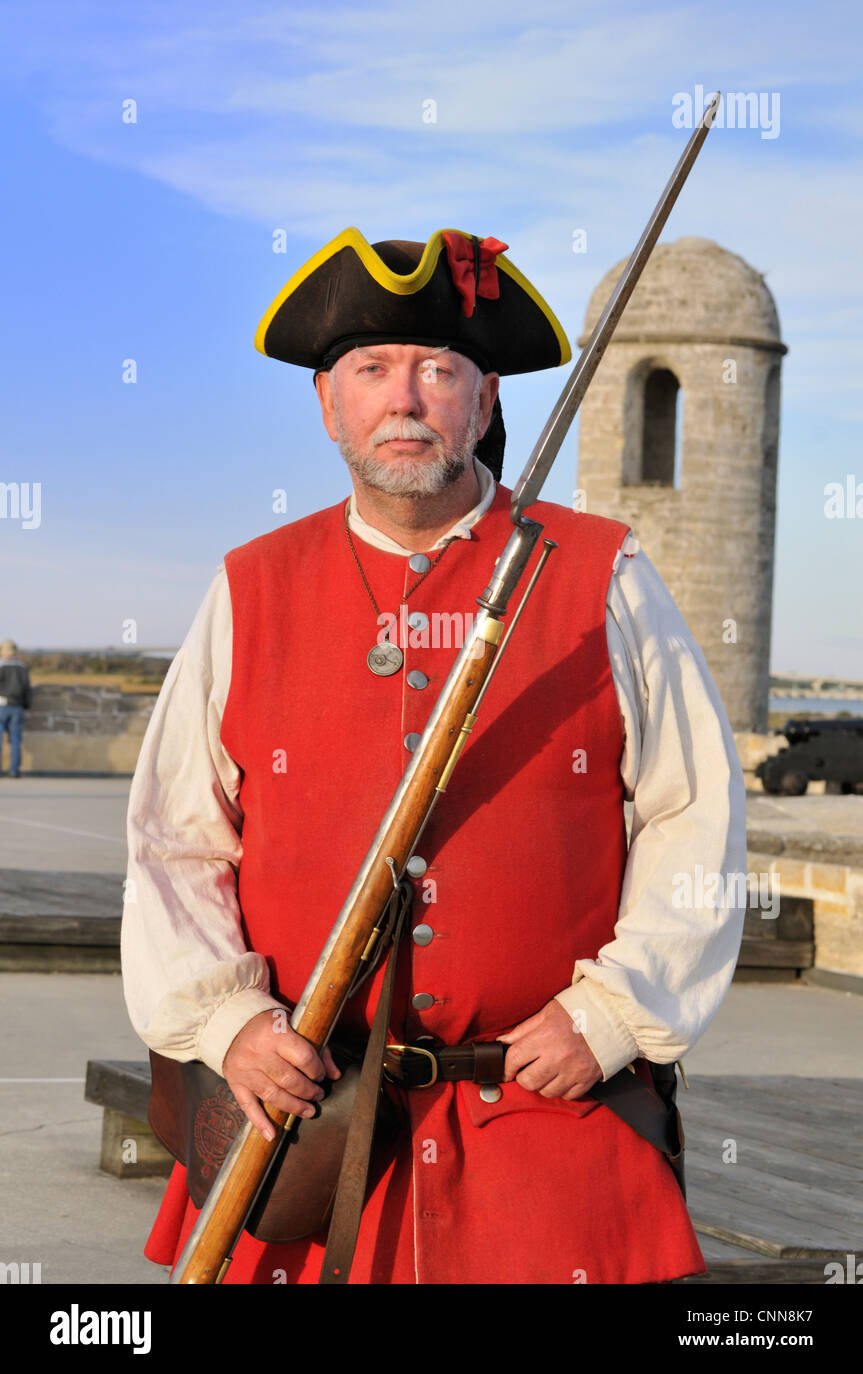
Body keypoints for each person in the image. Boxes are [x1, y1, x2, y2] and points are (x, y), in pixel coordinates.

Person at [122, 227, 746, 1285]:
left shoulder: (602, 572)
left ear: (483, 400)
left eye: (436, 370)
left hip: (546, 1114)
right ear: (328, 405)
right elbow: (173, 840)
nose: (402, 398)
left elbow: (695, 815)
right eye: (369, 370)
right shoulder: (249, 587)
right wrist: (227, 1022)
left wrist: (610, 1014)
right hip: (307, 1124)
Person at [0, 639, 31, 777]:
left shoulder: (1, 666)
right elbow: (27, 689)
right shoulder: (22, 667)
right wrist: (26, 705)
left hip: (1, 706)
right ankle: (14, 770)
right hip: (17, 706)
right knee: (16, 739)